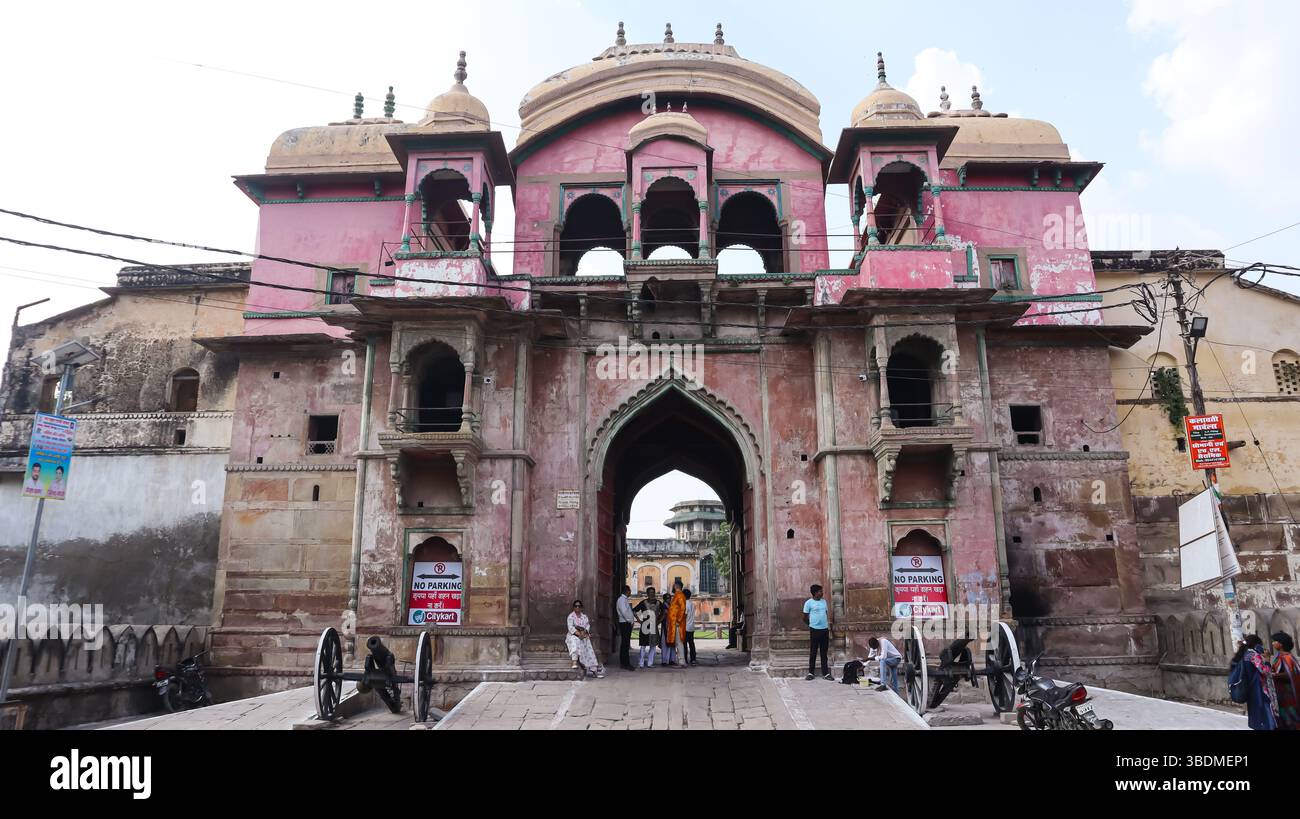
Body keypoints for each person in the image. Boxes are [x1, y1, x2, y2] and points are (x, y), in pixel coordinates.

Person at [1229, 635, 1276, 730]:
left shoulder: (1244, 654)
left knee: (1256, 712)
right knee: (1265, 712)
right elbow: (1265, 671)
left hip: (1250, 689)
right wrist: (1267, 660)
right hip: (1258, 689)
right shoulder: (1252, 655)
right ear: (1257, 644)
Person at [565, 599, 604, 678]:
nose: (577, 607)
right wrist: (579, 634)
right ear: (573, 607)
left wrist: (584, 632)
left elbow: (587, 626)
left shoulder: (584, 617)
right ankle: (574, 662)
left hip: (583, 635)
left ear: (581, 608)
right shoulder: (570, 616)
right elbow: (570, 628)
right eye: (576, 606)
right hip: (573, 635)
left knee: (588, 648)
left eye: (579, 606)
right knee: (575, 642)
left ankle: (594, 670)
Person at [803, 584, 833, 681]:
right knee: (813, 651)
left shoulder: (824, 602)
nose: (822, 593)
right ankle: (811, 672)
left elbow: (825, 613)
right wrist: (812, 624)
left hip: (824, 630)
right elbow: (804, 617)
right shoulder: (808, 603)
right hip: (814, 630)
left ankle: (826, 673)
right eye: (820, 591)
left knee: (824, 652)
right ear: (815, 593)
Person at [1270, 631, 1299, 730]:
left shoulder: (1287, 657)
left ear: (1280, 644)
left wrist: (1273, 675)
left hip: (1288, 695)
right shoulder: (1278, 657)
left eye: (1274, 641)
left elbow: (1290, 675)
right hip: (1280, 694)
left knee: (1290, 720)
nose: (1273, 643)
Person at [633, 587, 661, 667]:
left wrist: (659, 621)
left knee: (653, 645)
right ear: (647, 594)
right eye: (650, 592)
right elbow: (634, 610)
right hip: (645, 625)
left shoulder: (659, 603)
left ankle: (650, 663)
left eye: (653, 592)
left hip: (653, 626)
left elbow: (665, 612)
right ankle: (641, 663)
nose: (652, 594)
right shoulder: (643, 603)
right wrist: (638, 620)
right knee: (643, 645)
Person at [664, 581, 688, 667]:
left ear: (676, 586)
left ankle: (682, 661)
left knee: (679, 642)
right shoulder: (677, 595)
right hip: (674, 623)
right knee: (677, 642)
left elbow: (682, 608)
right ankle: (681, 661)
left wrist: (678, 620)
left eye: (674, 585)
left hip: (678, 623)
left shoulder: (680, 595)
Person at [616, 584, 636, 671]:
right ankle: (625, 663)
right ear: (626, 591)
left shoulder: (624, 599)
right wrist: (630, 620)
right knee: (625, 644)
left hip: (626, 623)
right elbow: (624, 612)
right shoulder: (621, 600)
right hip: (625, 623)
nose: (630, 592)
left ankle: (624, 663)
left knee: (625, 644)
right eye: (629, 590)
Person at [683, 588, 697, 665]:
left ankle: (685, 659)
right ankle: (693, 659)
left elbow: (684, 615)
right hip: (691, 626)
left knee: (684, 644)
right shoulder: (692, 604)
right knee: (691, 644)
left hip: (686, 627)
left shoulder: (685, 604)